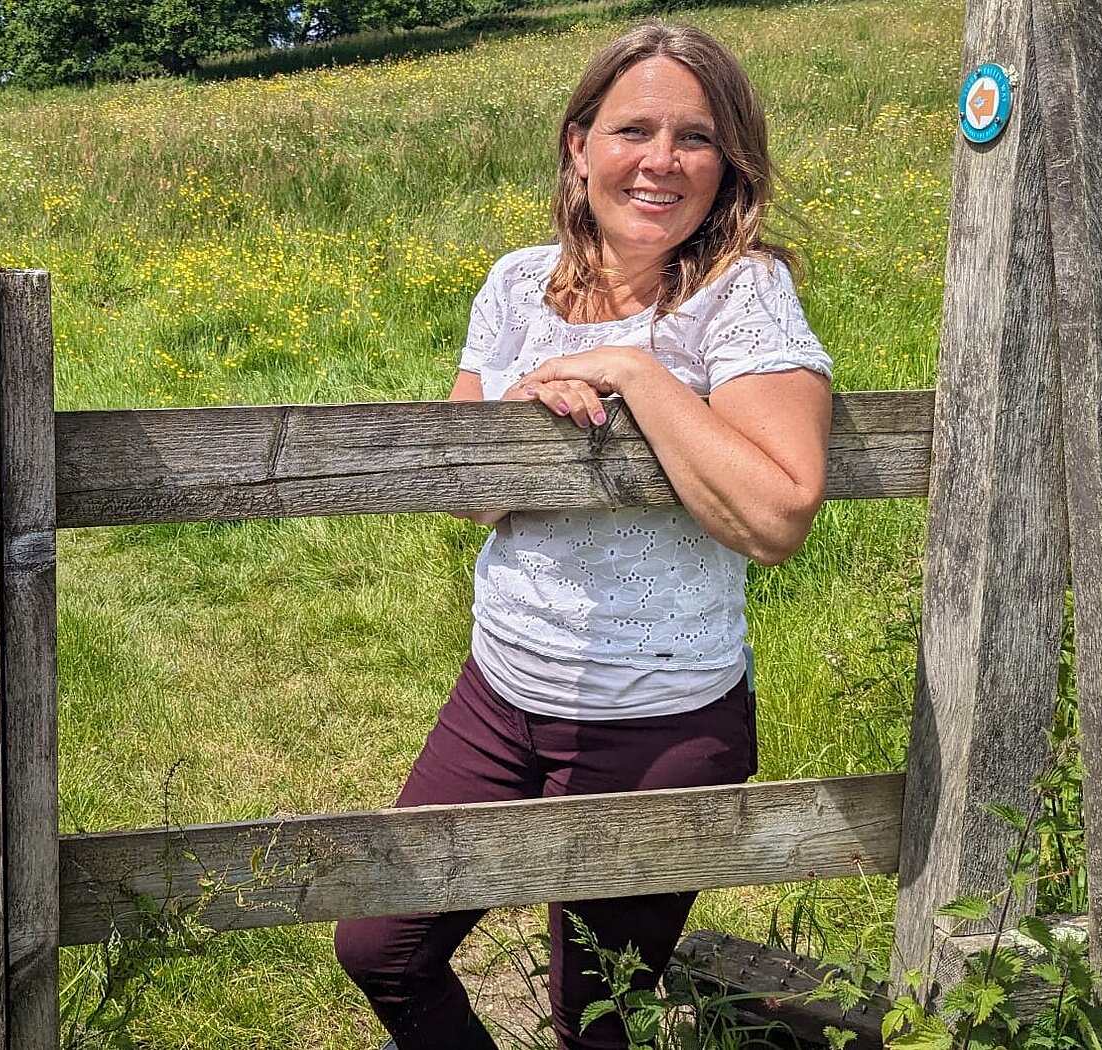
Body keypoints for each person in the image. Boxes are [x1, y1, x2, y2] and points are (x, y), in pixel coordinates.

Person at [332, 21, 833, 1050]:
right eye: (631, 129)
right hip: (498, 695)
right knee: (379, 944)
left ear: (727, 158)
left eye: (693, 136)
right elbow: (465, 496)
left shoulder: (743, 295)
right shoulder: (517, 282)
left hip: (659, 725)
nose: (660, 160)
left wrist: (633, 372)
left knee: (592, 1015)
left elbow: (777, 514)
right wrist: (521, 404)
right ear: (577, 144)